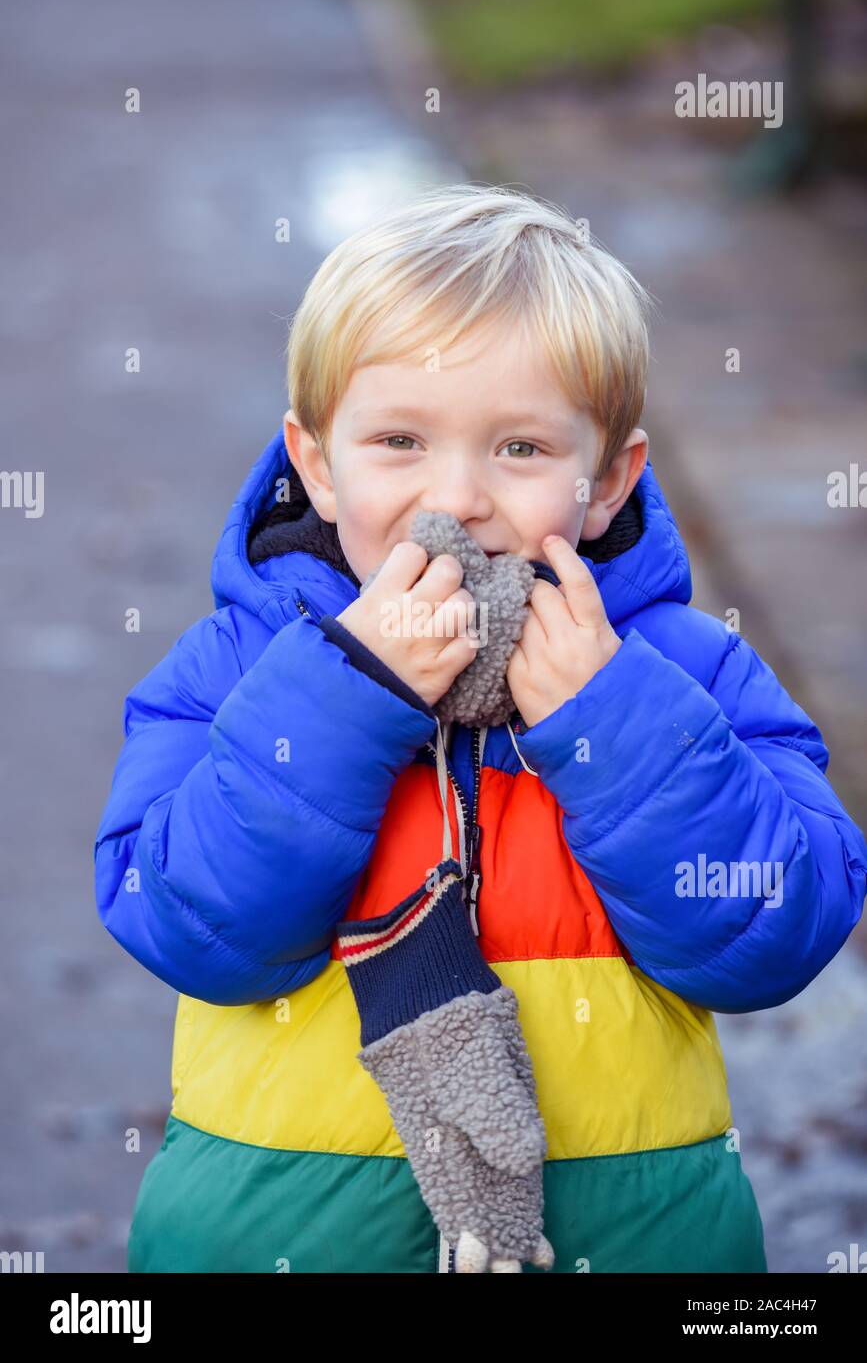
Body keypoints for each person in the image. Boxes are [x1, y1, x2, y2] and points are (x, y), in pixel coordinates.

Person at [94, 183, 867, 1273]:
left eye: (519, 449)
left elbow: (778, 933)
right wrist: (348, 697)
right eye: (400, 440)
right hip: (278, 1240)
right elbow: (188, 922)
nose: (453, 501)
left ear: (607, 483)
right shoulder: (236, 671)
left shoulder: (680, 671)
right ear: (316, 463)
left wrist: (614, 724)